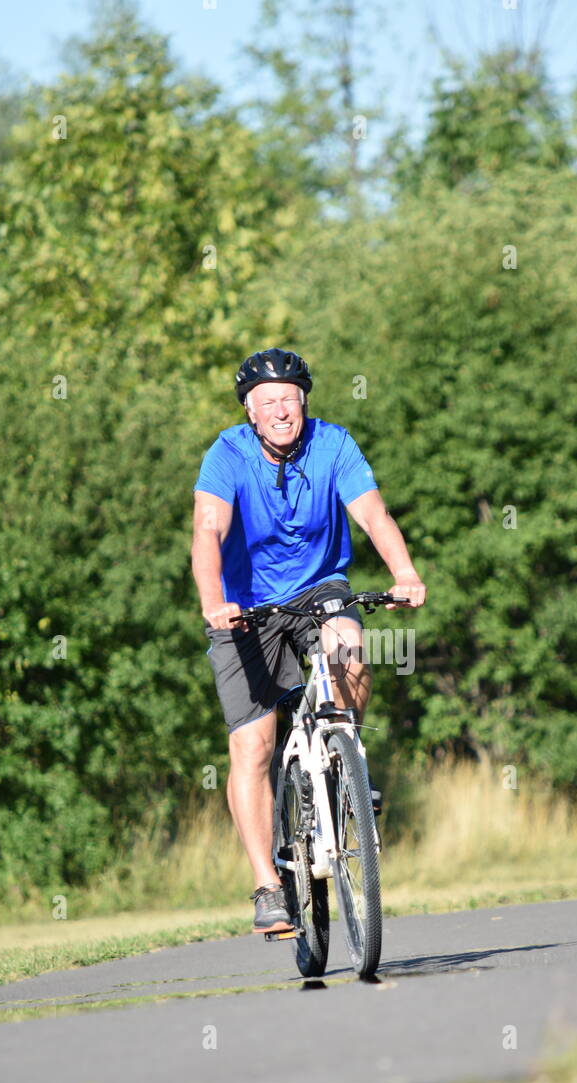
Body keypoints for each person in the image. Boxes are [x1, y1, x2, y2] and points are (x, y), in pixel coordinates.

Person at [191, 347, 426, 934]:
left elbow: (372, 515)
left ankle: (347, 771)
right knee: (254, 748)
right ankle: (268, 888)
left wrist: (404, 573)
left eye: (290, 399)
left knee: (349, 647)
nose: (280, 410)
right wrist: (212, 602)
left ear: (304, 403)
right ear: (250, 411)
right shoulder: (227, 454)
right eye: (267, 402)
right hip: (244, 606)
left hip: (320, 585)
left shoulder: (334, 443)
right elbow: (208, 531)